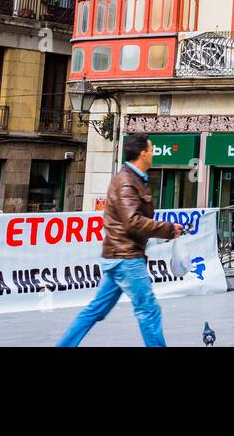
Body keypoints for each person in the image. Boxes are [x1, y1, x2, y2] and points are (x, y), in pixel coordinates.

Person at [58, 134, 183, 347]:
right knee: (149, 310)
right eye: (151, 150)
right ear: (142, 154)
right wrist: (168, 229)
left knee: (96, 310)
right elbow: (132, 221)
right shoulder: (127, 182)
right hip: (126, 258)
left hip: (117, 255)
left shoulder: (135, 179)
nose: (154, 154)